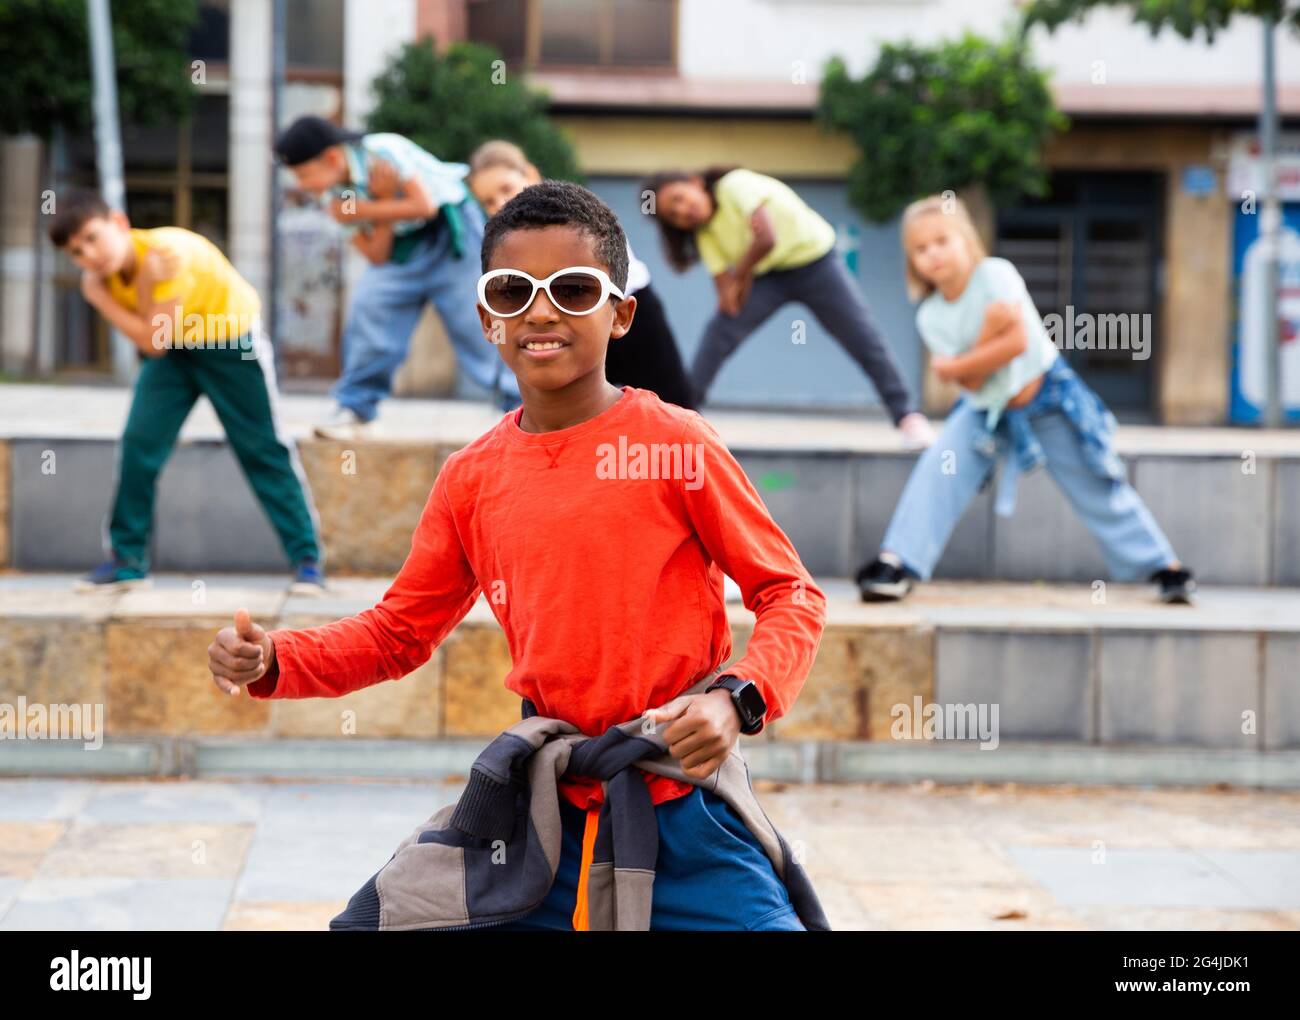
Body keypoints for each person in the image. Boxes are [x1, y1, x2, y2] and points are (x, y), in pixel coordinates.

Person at [207, 181, 829, 930]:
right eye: (513, 291)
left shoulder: (675, 444)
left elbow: (791, 593)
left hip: (687, 813)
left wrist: (737, 698)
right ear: (486, 318)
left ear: (620, 312)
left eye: (572, 290)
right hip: (539, 819)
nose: (540, 312)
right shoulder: (472, 477)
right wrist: (276, 658)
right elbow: (398, 633)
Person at [854, 194, 1196, 605]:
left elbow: (1015, 342)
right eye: (921, 249)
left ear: (966, 238)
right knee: (938, 468)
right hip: (986, 410)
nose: (934, 254)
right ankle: (897, 563)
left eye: (942, 241)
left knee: (1098, 481)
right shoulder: (931, 315)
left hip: (1046, 398)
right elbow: (977, 384)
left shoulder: (996, 275)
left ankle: (1164, 567)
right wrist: (982, 342)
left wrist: (958, 365)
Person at [49, 189, 325, 594]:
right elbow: (156, 334)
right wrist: (111, 293)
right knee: (139, 444)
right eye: (76, 252)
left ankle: (308, 562)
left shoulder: (169, 256)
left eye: (92, 237)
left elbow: (151, 342)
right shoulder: (111, 275)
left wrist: (98, 300)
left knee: (263, 449)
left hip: (230, 345)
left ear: (120, 223)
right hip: (176, 352)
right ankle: (128, 563)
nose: (89, 255)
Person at [642, 165, 935, 446]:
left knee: (862, 337)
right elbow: (727, 295)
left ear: (695, 183)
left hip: (815, 263)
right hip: (766, 277)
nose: (682, 211)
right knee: (719, 332)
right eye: (673, 215)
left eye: (679, 199)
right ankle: (681, 418)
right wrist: (731, 296)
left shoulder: (735, 184)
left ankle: (908, 416)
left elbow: (767, 238)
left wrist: (741, 274)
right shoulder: (706, 234)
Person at [272, 116, 522, 439]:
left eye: (304, 174)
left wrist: (367, 208)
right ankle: (356, 408)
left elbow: (425, 206)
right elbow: (376, 254)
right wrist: (385, 205)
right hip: (400, 250)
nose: (301, 184)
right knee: (371, 310)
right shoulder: (330, 197)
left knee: (478, 320)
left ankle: (519, 403)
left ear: (332, 158)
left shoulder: (382, 151)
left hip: (450, 231)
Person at [466, 139, 697, 409]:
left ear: (529, 173)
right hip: (573, 327)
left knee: (670, 403)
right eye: (488, 201)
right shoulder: (504, 244)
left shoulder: (576, 215)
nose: (499, 203)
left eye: (505, 189)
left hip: (627, 315)